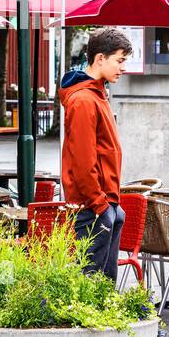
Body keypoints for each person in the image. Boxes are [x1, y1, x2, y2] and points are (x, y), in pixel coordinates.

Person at [59, 27, 131, 280]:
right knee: (91, 282)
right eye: (119, 60)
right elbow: (83, 160)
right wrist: (100, 204)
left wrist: (108, 205)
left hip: (102, 203)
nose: (123, 67)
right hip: (92, 205)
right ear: (100, 58)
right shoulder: (84, 100)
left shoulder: (96, 95)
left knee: (102, 283)